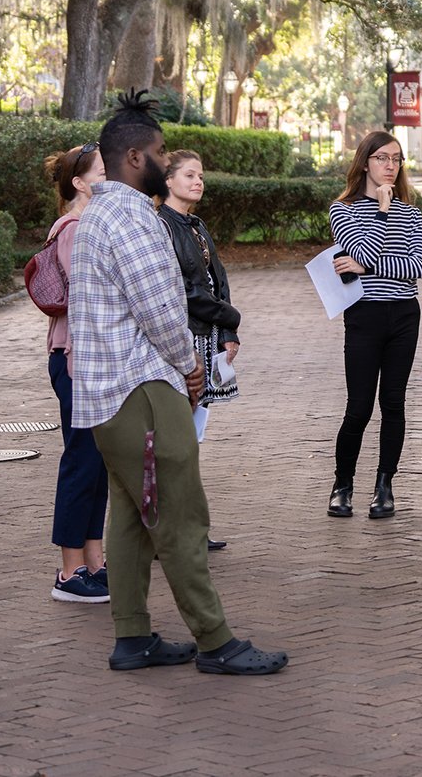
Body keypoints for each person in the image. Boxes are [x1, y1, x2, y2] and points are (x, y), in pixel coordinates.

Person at [69, 90, 287, 675]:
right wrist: (190, 364)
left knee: (130, 515)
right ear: (136, 157)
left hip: (111, 395)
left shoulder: (102, 215)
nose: (168, 161)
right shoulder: (131, 218)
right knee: (180, 512)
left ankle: (132, 637)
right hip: (139, 387)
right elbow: (160, 311)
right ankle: (216, 641)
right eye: (162, 152)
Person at [326, 130, 422, 521]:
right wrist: (383, 212)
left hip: (404, 314)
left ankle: (385, 485)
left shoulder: (412, 211)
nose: (390, 166)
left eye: (397, 159)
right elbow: (366, 247)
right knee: (358, 407)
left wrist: (366, 266)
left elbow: (419, 266)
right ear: (365, 161)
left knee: (394, 403)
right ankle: (343, 484)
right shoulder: (344, 210)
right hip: (365, 316)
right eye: (383, 158)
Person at [157, 150, 240, 551]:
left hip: (207, 338)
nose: (198, 182)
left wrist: (227, 330)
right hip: (182, 340)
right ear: (168, 181)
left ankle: (189, 528)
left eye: (201, 175)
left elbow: (215, 279)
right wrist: (231, 314)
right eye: (189, 175)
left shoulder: (196, 224)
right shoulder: (162, 226)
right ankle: (167, 532)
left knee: (192, 437)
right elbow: (183, 290)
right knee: (172, 439)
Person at [42, 141, 110, 604]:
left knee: (98, 460)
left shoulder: (92, 224)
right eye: (103, 170)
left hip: (89, 359)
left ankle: (95, 561)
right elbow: (87, 297)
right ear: (79, 183)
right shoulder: (73, 228)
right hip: (73, 359)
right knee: (81, 460)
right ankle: (69, 573)